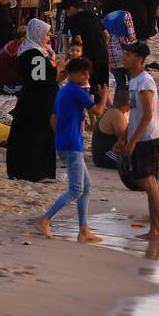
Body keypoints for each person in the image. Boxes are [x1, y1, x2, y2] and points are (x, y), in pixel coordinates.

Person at [31, 58, 109, 243]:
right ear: (73, 74)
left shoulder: (63, 91)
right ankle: (45, 219)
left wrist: (63, 133)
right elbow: (97, 111)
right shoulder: (75, 90)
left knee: (86, 186)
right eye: (83, 73)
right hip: (72, 144)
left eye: (87, 74)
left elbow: (53, 120)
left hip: (66, 142)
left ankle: (83, 230)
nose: (86, 77)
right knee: (76, 189)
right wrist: (105, 95)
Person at [115, 41, 159, 240]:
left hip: (148, 138)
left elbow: (147, 116)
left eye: (128, 55)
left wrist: (133, 141)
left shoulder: (145, 81)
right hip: (140, 137)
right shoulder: (134, 80)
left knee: (149, 184)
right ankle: (155, 229)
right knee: (147, 184)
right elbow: (134, 114)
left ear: (139, 59)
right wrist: (122, 138)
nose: (124, 57)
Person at [5, 19, 58, 182]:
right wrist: (59, 71)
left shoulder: (34, 51)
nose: (48, 38)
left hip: (36, 99)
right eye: (46, 34)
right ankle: (35, 172)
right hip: (37, 101)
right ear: (39, 34)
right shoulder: (33, 55)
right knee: (35, 136)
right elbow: (40, 80)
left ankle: (39, 171)